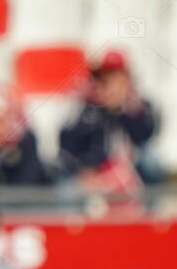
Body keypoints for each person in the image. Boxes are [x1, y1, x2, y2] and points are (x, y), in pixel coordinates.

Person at [57, 49, 159, 192]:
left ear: (127, 80)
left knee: (151, 162)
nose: (107, 84)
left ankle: (149, 211)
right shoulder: (83, 108)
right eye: (103, 79)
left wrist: (124, 109)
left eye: (114, 78)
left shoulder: (138, 107)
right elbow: (67, 145)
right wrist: (85, 172)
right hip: (90, 175)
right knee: (66, 188)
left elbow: (145, 136)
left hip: (128, 173)